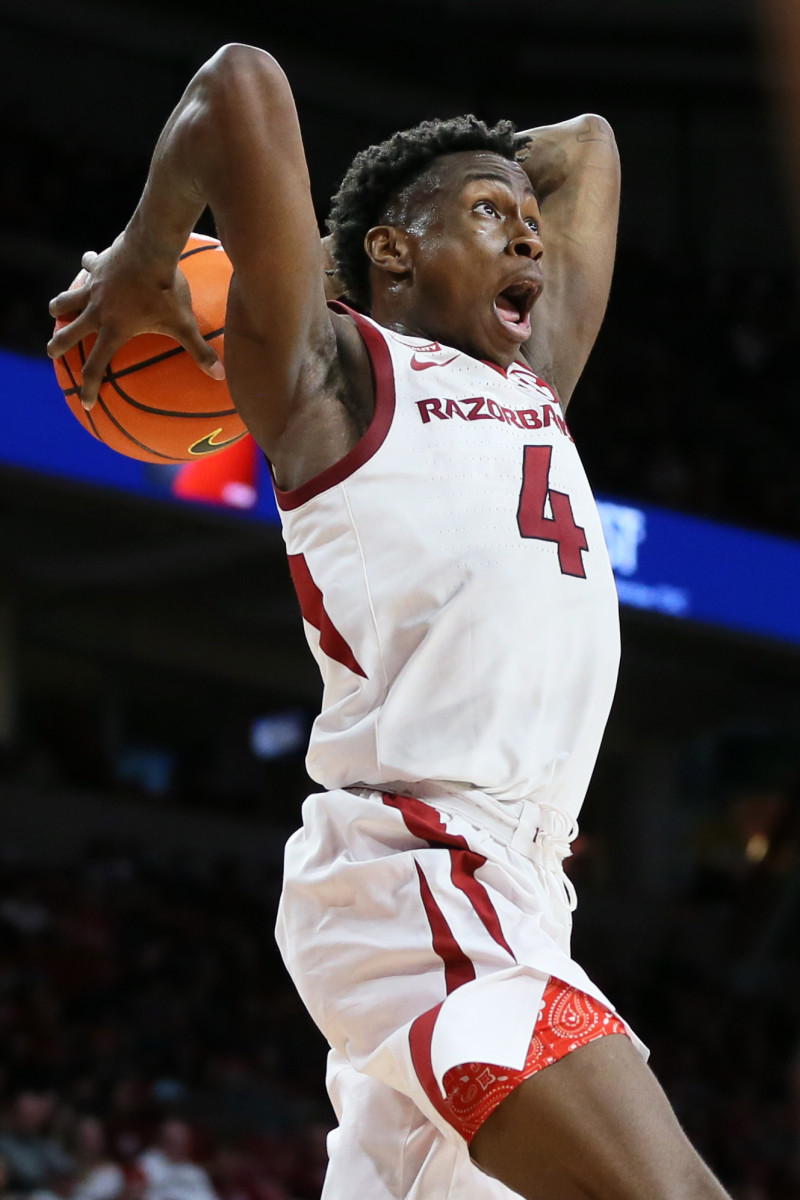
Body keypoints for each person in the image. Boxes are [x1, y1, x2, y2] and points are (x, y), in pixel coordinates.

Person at [47, 43, 733, 1200]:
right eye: (490, 216)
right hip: (426, 872)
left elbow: (586, 151)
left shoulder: (532, 380)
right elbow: (239, 85)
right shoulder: (330, 379)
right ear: (394, 253)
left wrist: (429, 201)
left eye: (528, 225)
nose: (529, 239)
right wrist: (146, 253)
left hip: (521, 890)